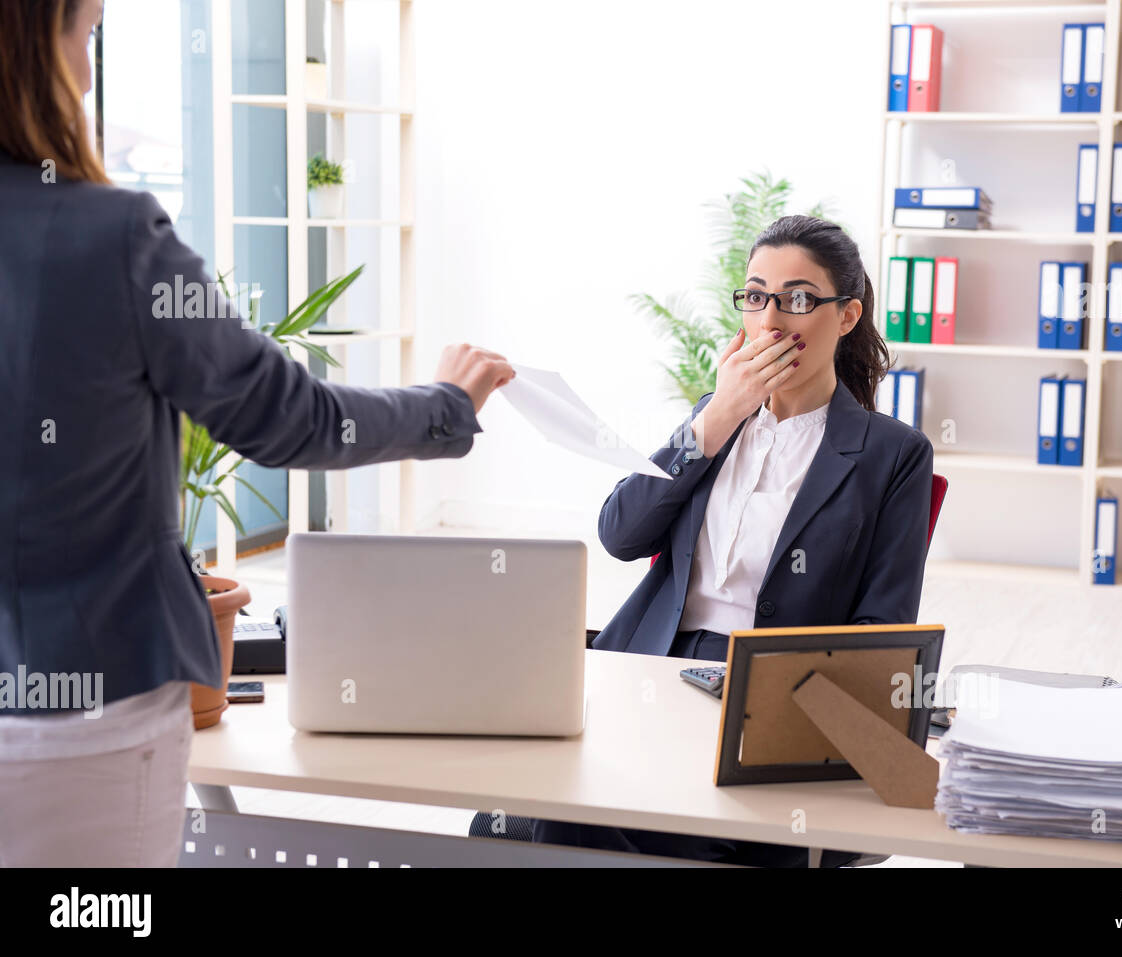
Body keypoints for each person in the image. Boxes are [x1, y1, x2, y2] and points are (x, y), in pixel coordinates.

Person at [0, 0, 514, 867]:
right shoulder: (116, 236)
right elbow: (293, 419)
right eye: (84, 35)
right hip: (90, 729)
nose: (86, 73)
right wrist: (448, 404)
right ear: (31, 44)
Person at [531, 214, 934, 866]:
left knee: (676, 825)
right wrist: (718, 416)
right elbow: (620, 533)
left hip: (778, 691)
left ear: (847, 314)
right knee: (577, 812)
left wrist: (785, 702)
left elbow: (881, 628)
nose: (772, 320)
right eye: (756, 296)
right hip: (653, 668)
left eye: (799, 299)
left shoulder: (893, 454)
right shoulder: (713, 419)